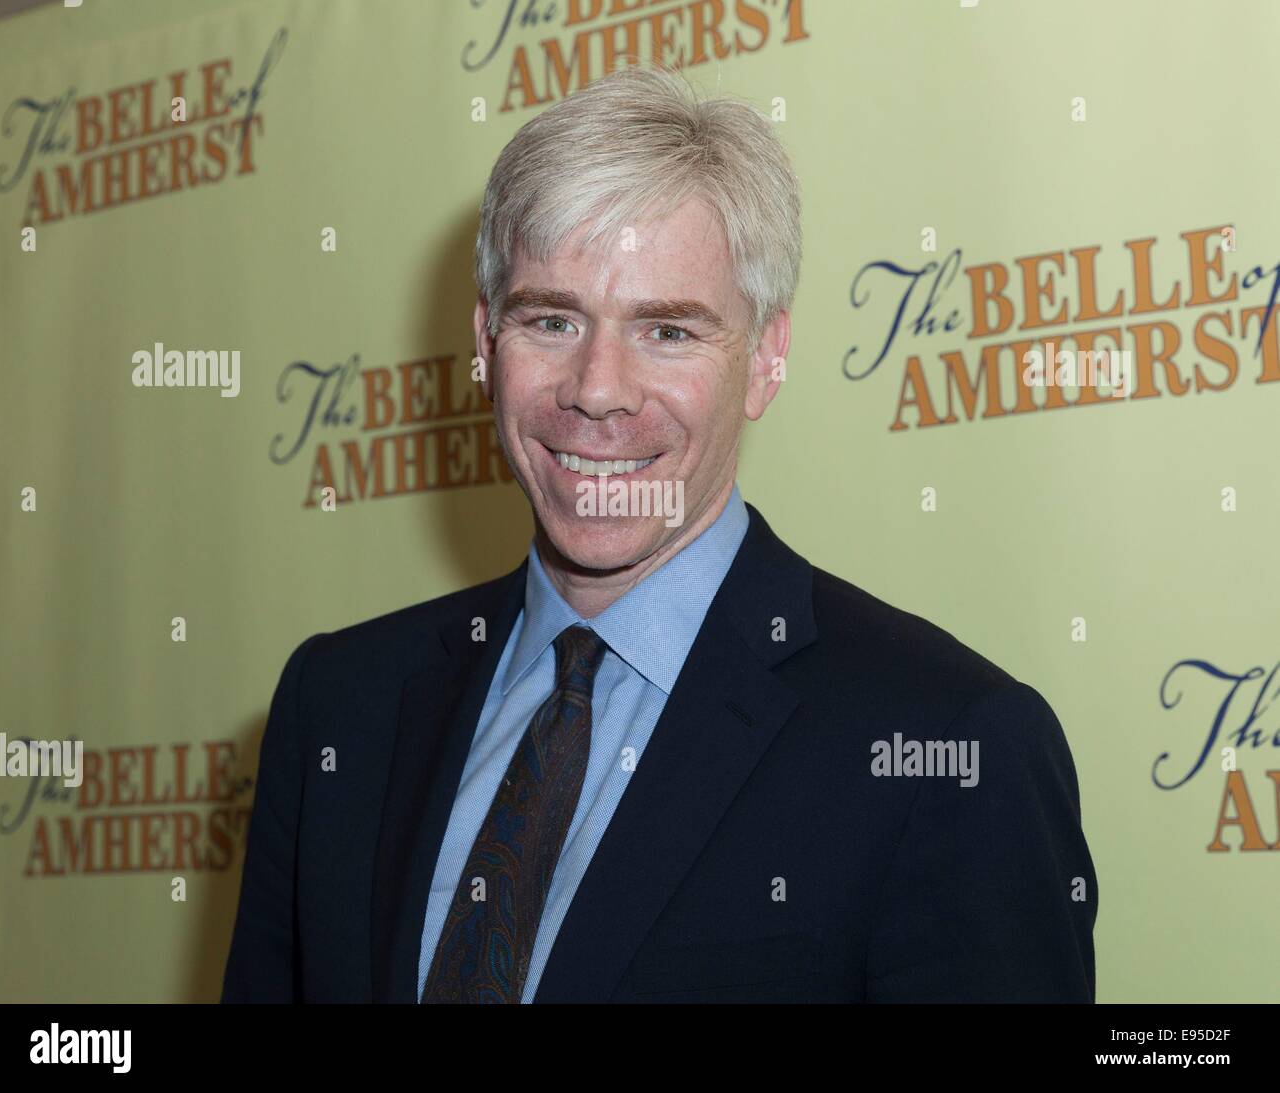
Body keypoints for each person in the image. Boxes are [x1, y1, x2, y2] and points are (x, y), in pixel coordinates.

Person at [222, 63, 1097, 1004]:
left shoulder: (946, 745)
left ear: (765, 360)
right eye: (551, 319)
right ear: (484, 346)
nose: (597, 389)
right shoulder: (338, 706)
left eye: (668, 331)